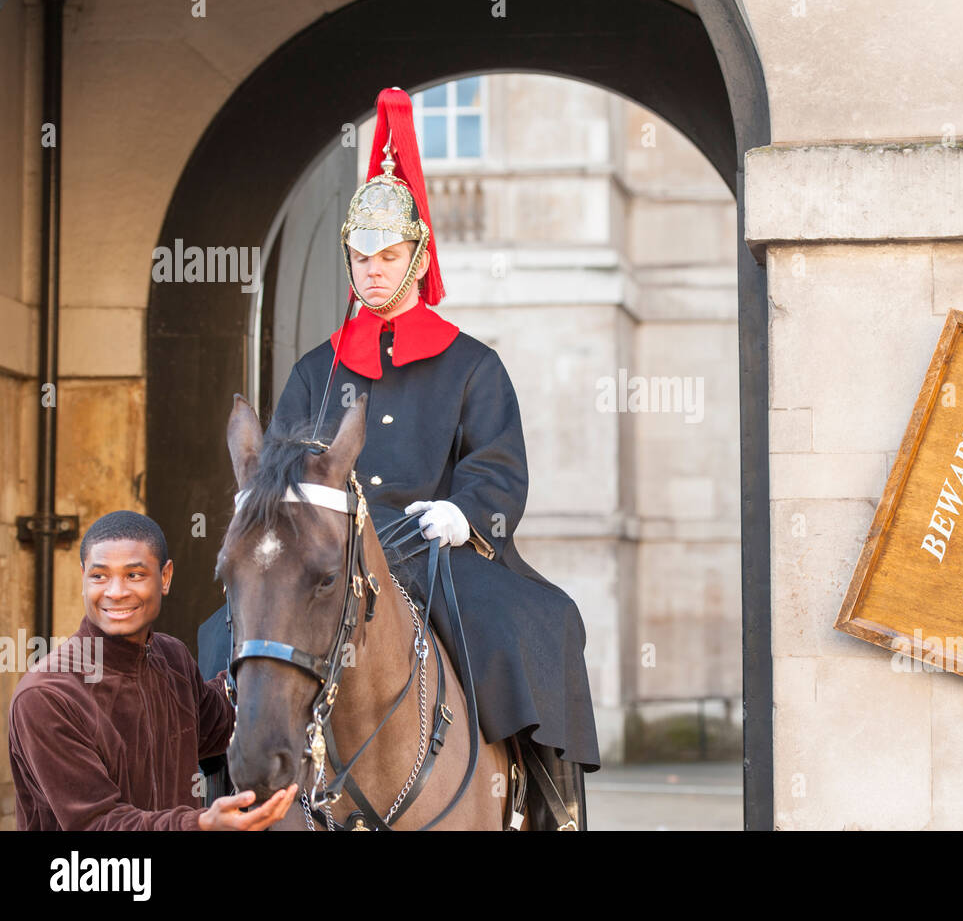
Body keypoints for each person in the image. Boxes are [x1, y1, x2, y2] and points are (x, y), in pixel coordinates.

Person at [205, 87, 599, 829]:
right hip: (328, 548)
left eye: (388, 256)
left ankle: (553, 808)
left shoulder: (473, 365)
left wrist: (465, 510)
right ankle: (212, 799)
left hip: (432, 545)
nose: (373, 272)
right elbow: (279, 467)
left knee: (542, 620)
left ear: (418, 257)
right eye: (361, 258)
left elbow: (499, 464)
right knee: (209, 637)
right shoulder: (314, 369)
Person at [7, 510, 296, 830]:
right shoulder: (47, 696)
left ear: (165, 577)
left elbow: (221, 721)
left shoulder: (172, 658)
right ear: (83, 578)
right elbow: (97, 824)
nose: (115, 592)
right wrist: (201, 824)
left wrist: (274, 652)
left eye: (134, 575)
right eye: (99, 576)